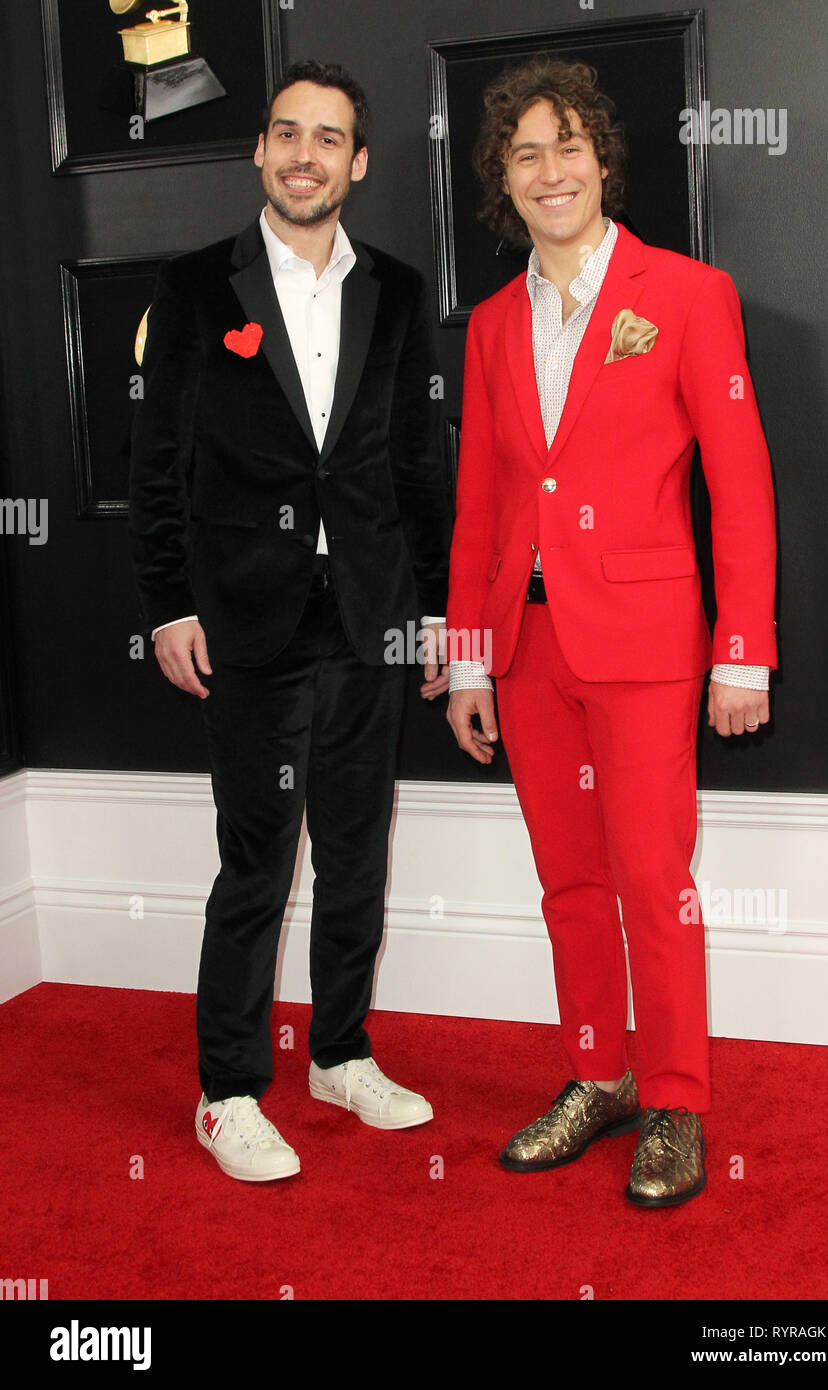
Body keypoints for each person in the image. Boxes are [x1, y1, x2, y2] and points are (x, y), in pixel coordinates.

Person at [446, 56, 777, 1207]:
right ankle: (599, 1074)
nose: (550, 170)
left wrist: (744, 645)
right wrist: (465, 660)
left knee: (651, 875)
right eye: (525, 152)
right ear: (504, 177)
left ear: (602, 161)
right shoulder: (490, 325)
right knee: (568, 881)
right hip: (526, 648)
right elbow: (479, 506)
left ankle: (677, 1100)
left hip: (644, 641)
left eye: (568, 146)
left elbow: (739, 481)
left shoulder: (685, 294)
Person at [129, 60, 451, 1183]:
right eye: (286, 134)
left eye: (329, 138)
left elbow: (417, 466)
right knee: (258, 862)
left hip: (369, 614)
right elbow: (156, 463)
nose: (305, 154)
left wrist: (439, 615)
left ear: (358, 163)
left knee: (358, 851)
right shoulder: (195, 287)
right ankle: (227, 1089)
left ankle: (342, 1051)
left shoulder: (399, 293)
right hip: (246, 620)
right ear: (259, 151)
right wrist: (167, 600)